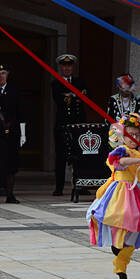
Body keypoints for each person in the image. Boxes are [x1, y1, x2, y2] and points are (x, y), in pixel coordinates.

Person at [86, 113, 140, 279]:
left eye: (136, 134)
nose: (133, 138)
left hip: (138, 191)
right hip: (120, 190)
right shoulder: (121, 150)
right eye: (130, 135)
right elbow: (122, 162)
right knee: (123, 217)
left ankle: (121, 262)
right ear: (122, 136)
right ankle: (117, 246)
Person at [0, 64, 24, 203]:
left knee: (11, 166)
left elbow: (21, 113)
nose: (2, 76)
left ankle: (10, 195)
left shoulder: (14, 90)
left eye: (4, 73)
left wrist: (23, 134)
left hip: (12, 134)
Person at [51, 54, 83, 197]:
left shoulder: (79, 82)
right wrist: (72, 96)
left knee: (78, 157)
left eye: (69, 66)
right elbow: (60, 100)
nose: (67, 68)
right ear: (60, 67)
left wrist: (71, 96)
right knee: (61, 157)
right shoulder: (56, 83)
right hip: (62, 125)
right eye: (64, 66)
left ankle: (79, 185)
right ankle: (59, 187)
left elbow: (84, 98)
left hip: (77, 125)